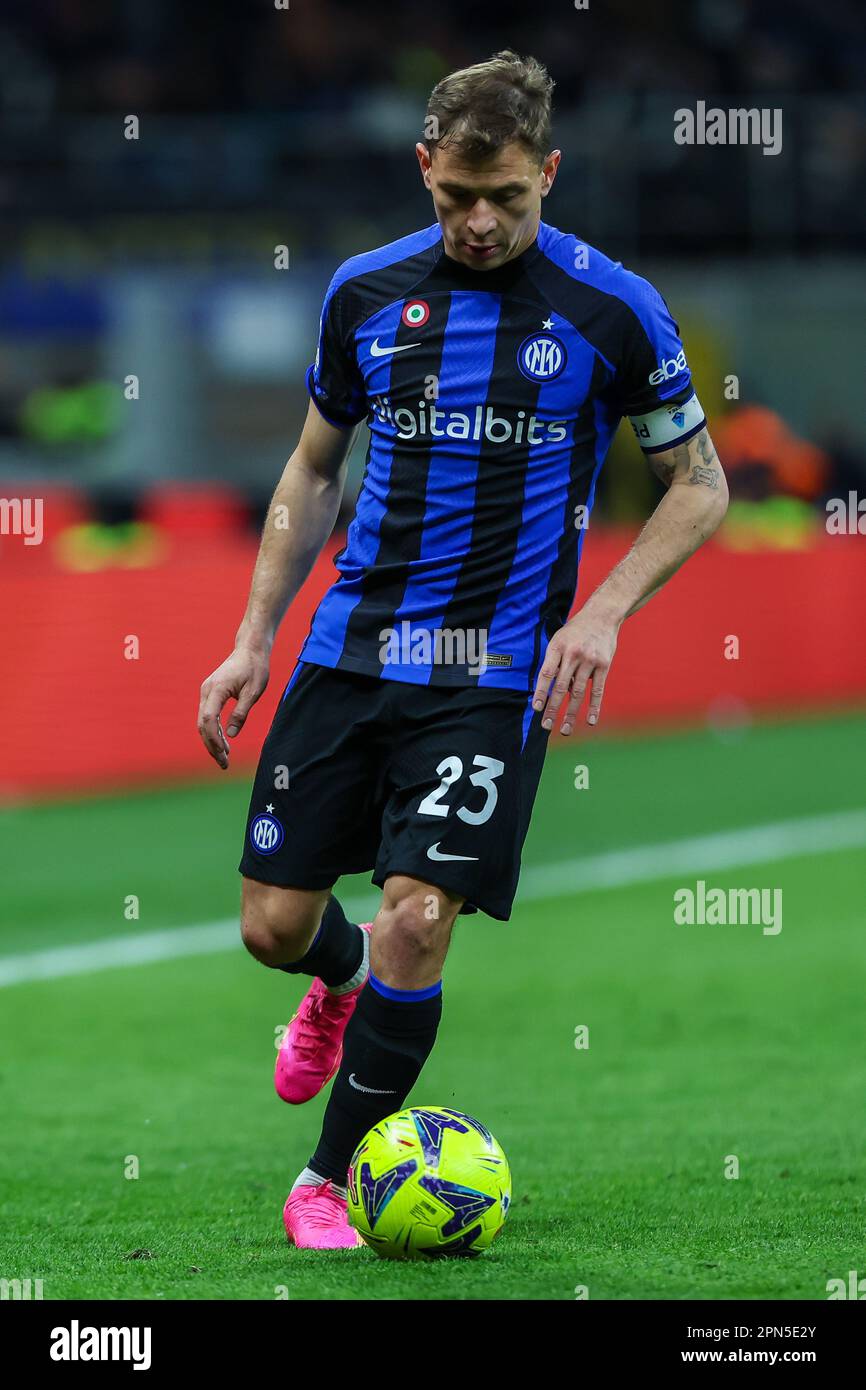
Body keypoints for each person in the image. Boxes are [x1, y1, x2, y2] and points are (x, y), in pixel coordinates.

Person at [197, 50, 728, 1249]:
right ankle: (334, 983)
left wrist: (598, 613)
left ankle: (326, 1181)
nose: (481, 224)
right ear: (422, 169)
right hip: (352, 651)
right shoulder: (363, 294)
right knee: (273, 926)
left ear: (547, 172)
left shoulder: (612, 308)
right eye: (456, 200)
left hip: (489, 676)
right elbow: (311, 469)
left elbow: (697, 484)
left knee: (416, 920)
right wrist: (250, 638)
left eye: (509, 199)